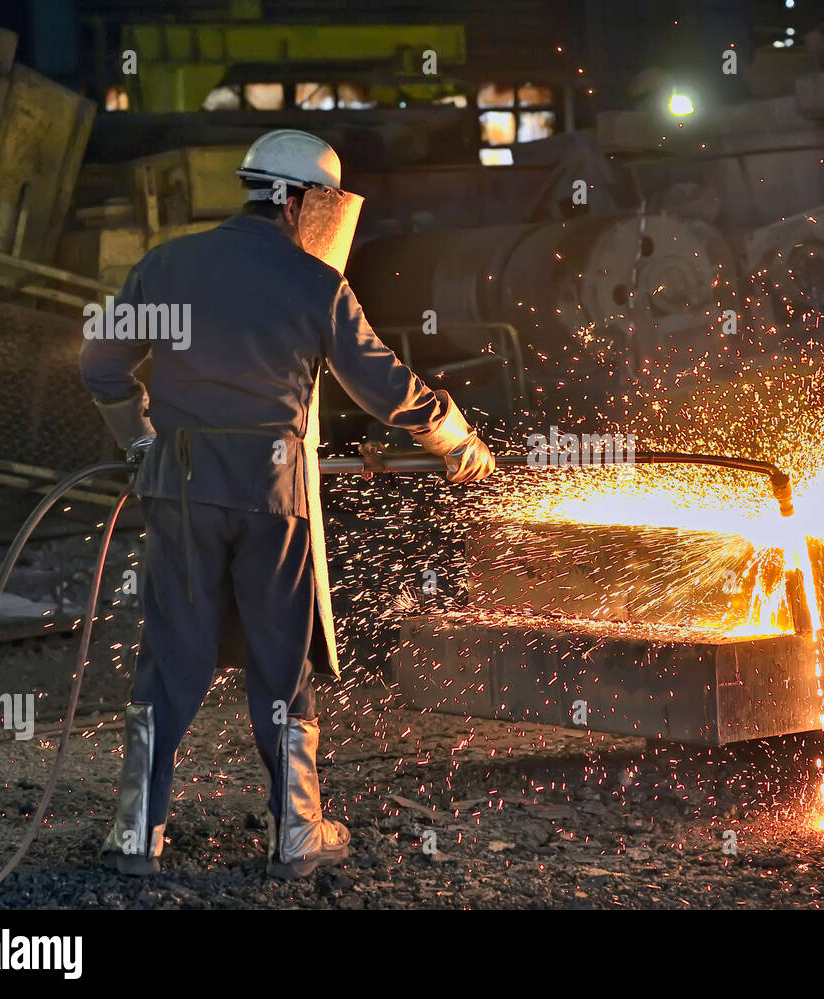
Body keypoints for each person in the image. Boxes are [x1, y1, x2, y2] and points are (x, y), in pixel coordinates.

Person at [79, 129, 495, 879]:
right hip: (274, 499)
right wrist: (452, 434)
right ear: (299, 202)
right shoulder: (314, 284)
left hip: (178, 493)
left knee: (172, 655)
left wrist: (142, 441)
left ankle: (136, 834)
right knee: (280, 658)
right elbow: (379, 380)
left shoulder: (168, 264)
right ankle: (297, 832)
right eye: (324, 207)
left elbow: (100, 363)